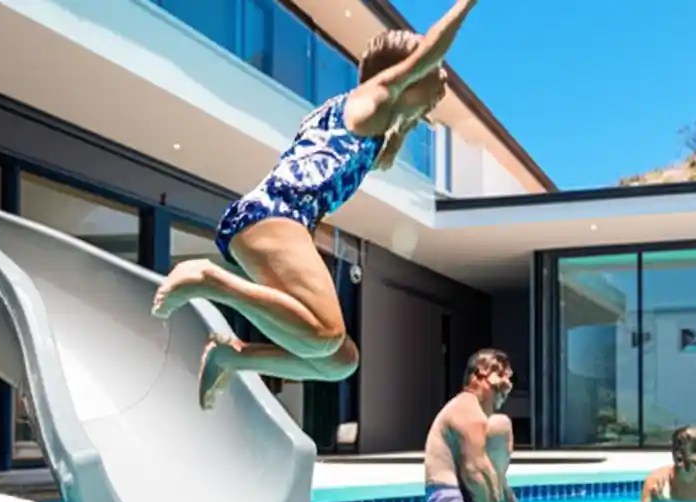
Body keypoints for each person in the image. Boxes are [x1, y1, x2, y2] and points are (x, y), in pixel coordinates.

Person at [150, 0, 480, 409]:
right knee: (325, 333)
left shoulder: (369, 122)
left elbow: (388, 153)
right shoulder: (370, 98)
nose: (441, 88)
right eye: (437, 77)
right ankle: (208, 280)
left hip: (274, 219)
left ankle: (232, 356)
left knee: (340, 360)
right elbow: (431, 49)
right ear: (408, 72)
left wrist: (412, 114)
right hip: (277, 212)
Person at [423, 349, 534, 502]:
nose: (508, 385)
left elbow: (495, 482)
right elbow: (477, 476)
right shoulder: (467, 409)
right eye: (502, 375)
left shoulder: (469, 411)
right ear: (481, 373)